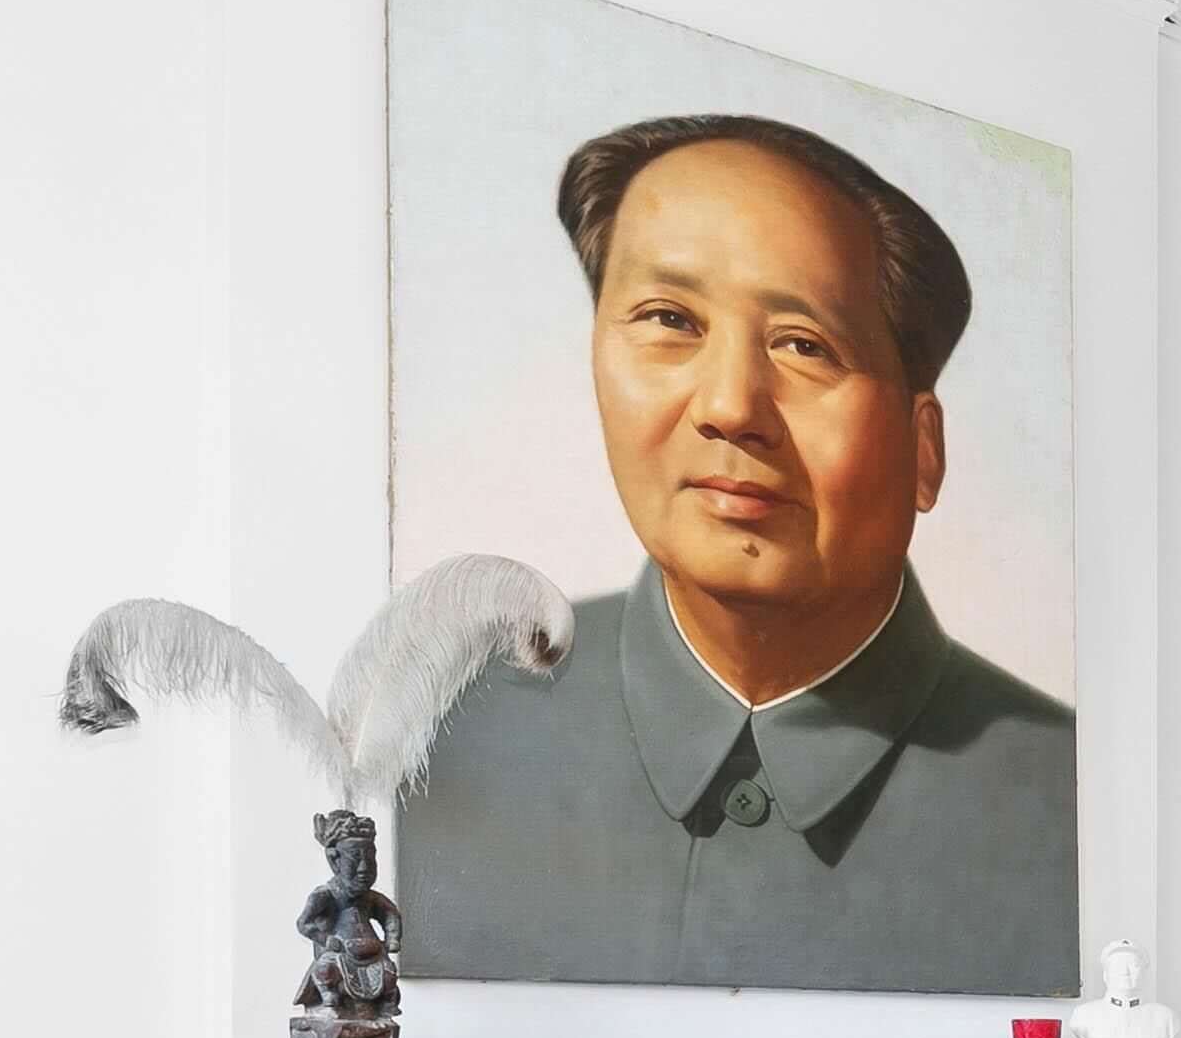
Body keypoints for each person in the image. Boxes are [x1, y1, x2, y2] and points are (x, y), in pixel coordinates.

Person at [395, 112, 1076, 993]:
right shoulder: (446, 732)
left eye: (804, 345)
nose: (730, 405)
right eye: (670, 319)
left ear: (924, 447)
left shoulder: (1060, 791)